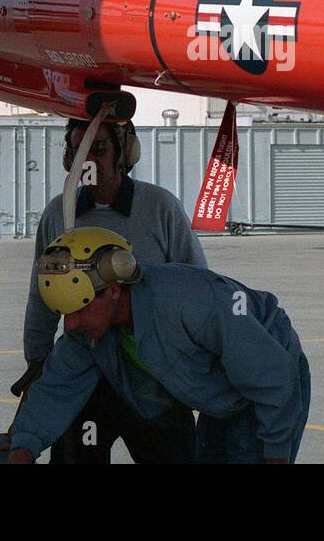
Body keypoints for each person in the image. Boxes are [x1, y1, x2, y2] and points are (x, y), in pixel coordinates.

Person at [9, 227, 310, 464]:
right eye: (66, 313)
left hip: (269, 386)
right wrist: (22, 452)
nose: (71, 324)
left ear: (113, 290)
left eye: (80, 310)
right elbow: (55, 389)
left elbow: (273, 378)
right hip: (220, 400)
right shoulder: (87, 334)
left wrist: (276, 453)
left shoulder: (191, 302)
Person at [14, 117, 208, 463]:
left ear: (124, 152)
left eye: (98, 149)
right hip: (85, 370)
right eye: (77, 151)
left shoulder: (160, 207)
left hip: (153, 375)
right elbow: (41, 294)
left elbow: (196, 286)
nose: (86, 160)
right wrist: (37, 363)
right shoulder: (60, 213)